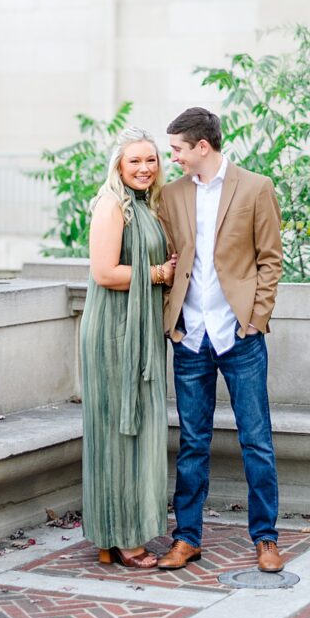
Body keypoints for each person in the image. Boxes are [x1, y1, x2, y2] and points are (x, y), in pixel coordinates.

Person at [156, 106, 285, 574]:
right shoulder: (170, 196)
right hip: (189, 337)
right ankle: (187, 538)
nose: (173, 159)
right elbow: (168, 256)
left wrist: (255, 318)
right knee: (192, 442)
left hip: (240, 337)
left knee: (256, 440)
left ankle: (266, 538)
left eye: (177, 150)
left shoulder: (255, 188)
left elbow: (270, 260)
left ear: (201, 147)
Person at [79, 126, 176, 569]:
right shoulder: (112, 206)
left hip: (143, 330)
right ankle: (117, 535)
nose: (144, 168)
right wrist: (160, 274)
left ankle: (124, 529)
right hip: (114, 332)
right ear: (119, 164)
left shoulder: (148, 206)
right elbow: (104, 273)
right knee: (120, 430)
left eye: (151, 160)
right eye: (135, 160)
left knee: (140, 429)